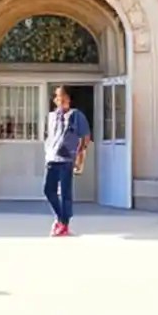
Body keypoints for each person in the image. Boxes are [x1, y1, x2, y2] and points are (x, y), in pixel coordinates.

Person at [42, 85, 91, 236]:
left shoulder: (76, 115)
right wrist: (47, 150)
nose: (60, 99)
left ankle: (64, 224)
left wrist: (80, 157)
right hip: (52, 158)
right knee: (48, 190)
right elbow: (48, 136)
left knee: (65, 193)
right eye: (57, 97)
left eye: (63, 96)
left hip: (66, 158)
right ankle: (60, 218)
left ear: (69, 99)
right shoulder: (51, 116)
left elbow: (85, 137)